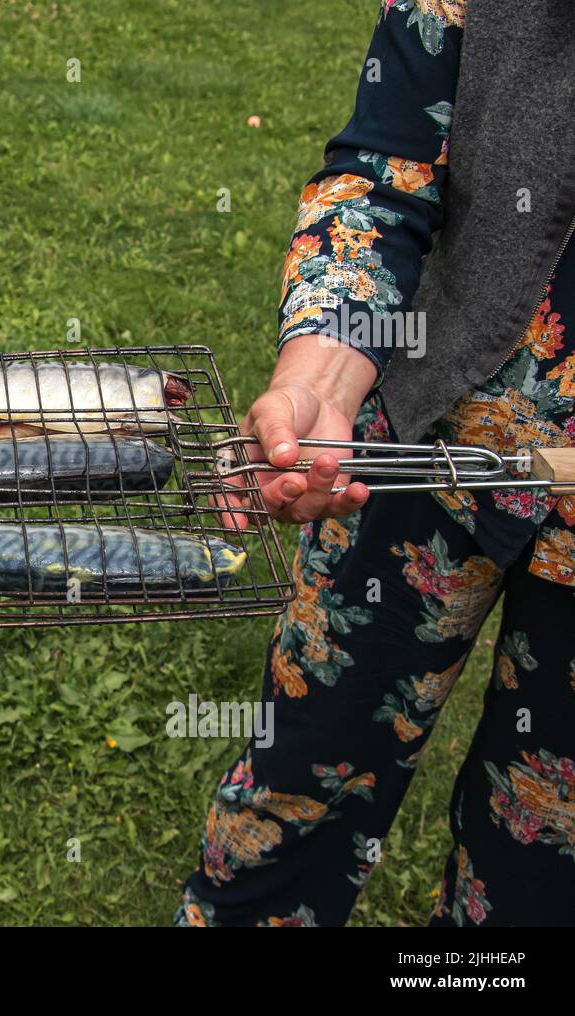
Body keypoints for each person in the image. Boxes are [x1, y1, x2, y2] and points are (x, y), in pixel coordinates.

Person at [176, 0, 575, 927]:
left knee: (539, 871)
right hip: (423, 431)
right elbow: (380, 178)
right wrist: (321, 377)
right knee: (299, 776)